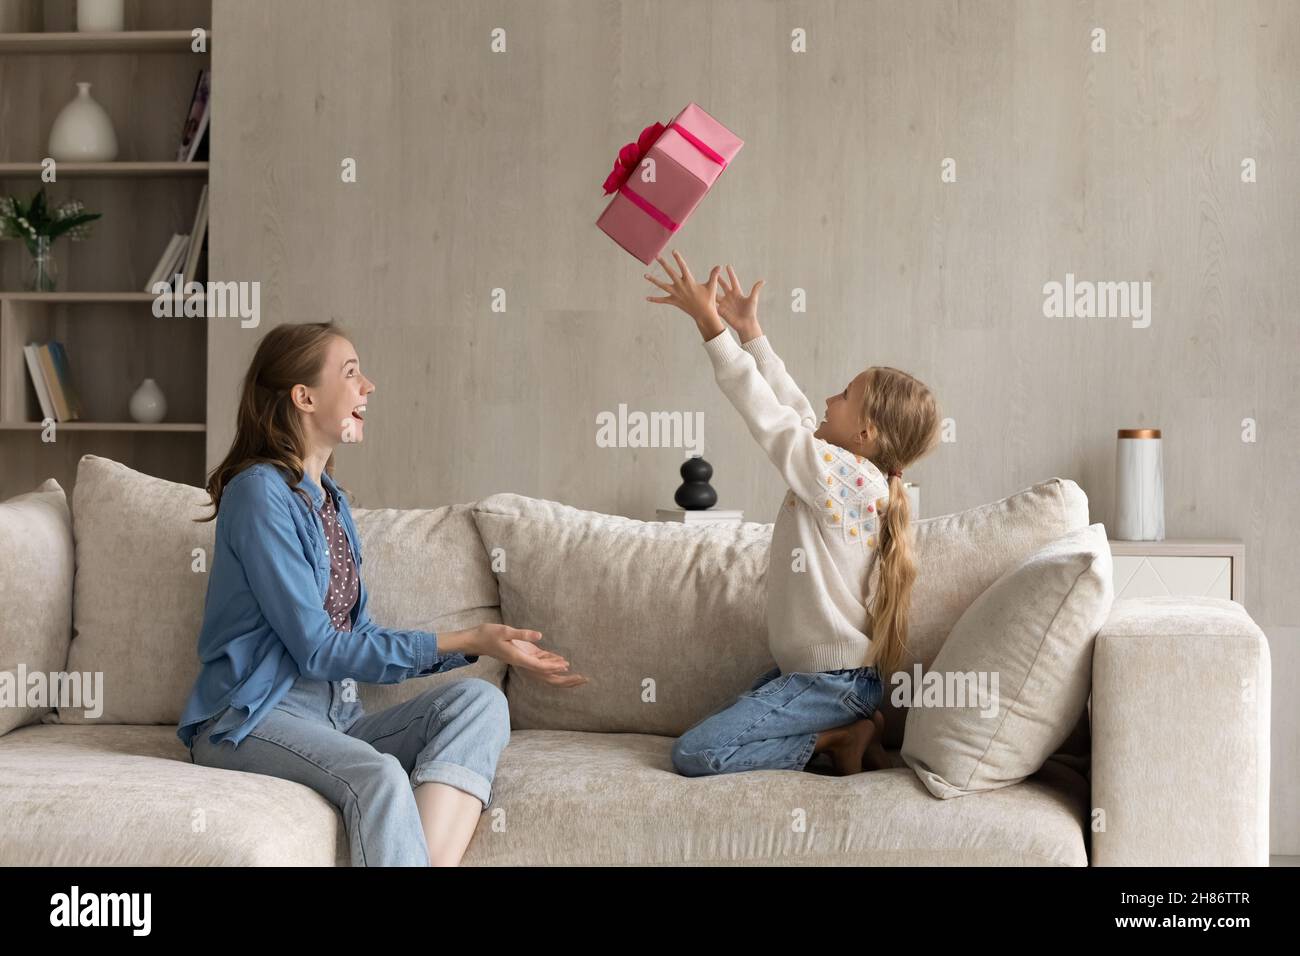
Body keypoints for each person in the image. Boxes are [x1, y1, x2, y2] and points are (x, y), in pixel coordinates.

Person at [177, 321, 584, 865]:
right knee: (379, 775)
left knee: (480, 703)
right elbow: (318, 649)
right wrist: (471, 636)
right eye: (351, 373)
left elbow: (356, 633)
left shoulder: (332, 501)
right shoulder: (259, 495)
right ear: (304, 397)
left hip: (334, 719)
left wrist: (475, 645)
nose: (368, 386)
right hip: (251, 720)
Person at [644, 251, 941, 777]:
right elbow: (795, 410)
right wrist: (752, 333)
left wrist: (710, 325)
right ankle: (854, 730)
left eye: (845, 395)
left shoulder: (841, 479)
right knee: (718, 731)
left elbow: (770, 417)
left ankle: (838, 736)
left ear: (865, 435)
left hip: (831, 684)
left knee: (695, 753)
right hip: (823, 678)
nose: (829, 397)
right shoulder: (848, 472)